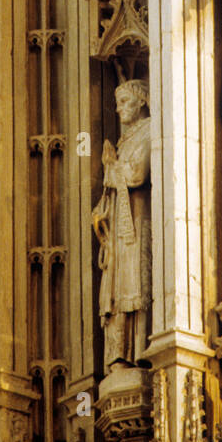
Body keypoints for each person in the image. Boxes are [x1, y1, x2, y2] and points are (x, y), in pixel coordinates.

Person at [92, 80, 152, 369]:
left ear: (142, 101)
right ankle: (118, 354)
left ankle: (139, 349)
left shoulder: (150, 130)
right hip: (120, 225)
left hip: (138, 222)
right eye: (117, 103)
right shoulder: (125, 139)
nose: (118, 109)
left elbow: (138, 173)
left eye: (125, 102)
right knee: (118, 283)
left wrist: (113, 167)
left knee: (134, 281)